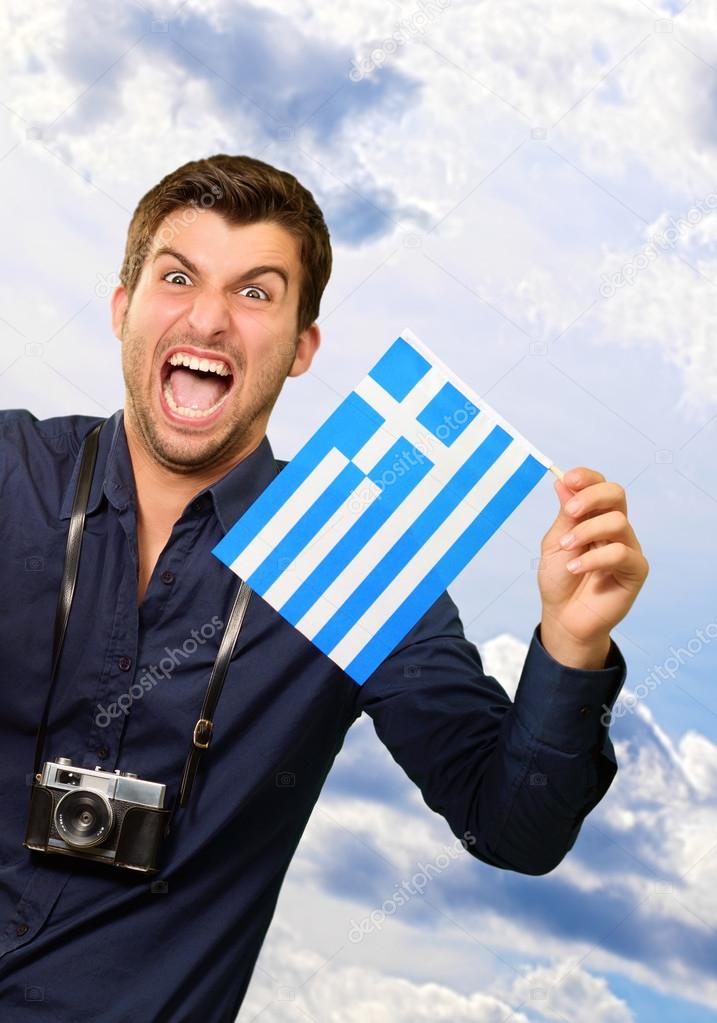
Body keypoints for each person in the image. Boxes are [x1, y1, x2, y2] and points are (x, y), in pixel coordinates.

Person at [0, 153, 649, 1021]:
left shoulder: (349, 548)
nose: (208, 317)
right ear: (123, 310)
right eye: (177, 276)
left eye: (255, 293)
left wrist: (572, 645)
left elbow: (513, 827)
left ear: (302, 346)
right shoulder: (12, 474)